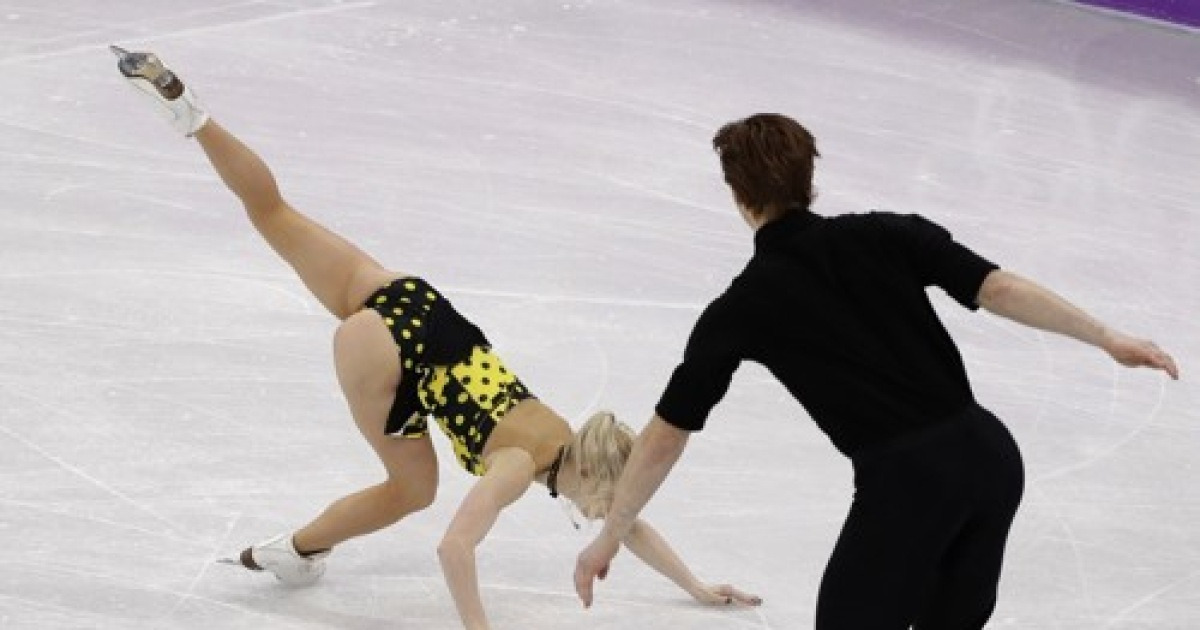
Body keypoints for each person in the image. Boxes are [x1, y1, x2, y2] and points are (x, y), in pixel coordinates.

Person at [109, 46, 762, 630]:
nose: (606, 517)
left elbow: (631, 525)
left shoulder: (563, 434)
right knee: (412, 491)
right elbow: (453, 548)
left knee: (274, 213)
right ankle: (293, 551)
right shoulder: (515, 467)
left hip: (413, 303)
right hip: (384, 352)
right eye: (606, 502)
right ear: (591, 472)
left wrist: (698, 589)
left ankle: (191, 114)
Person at [574, 113, 1180, 629]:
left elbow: (666, 435)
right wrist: (1106, 336)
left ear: (738, 195)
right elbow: (1000, 288)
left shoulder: (742, 308)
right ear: (809, 180)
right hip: (990, 460)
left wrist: (610, 534)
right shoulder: (888, 234)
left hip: (909, 483)